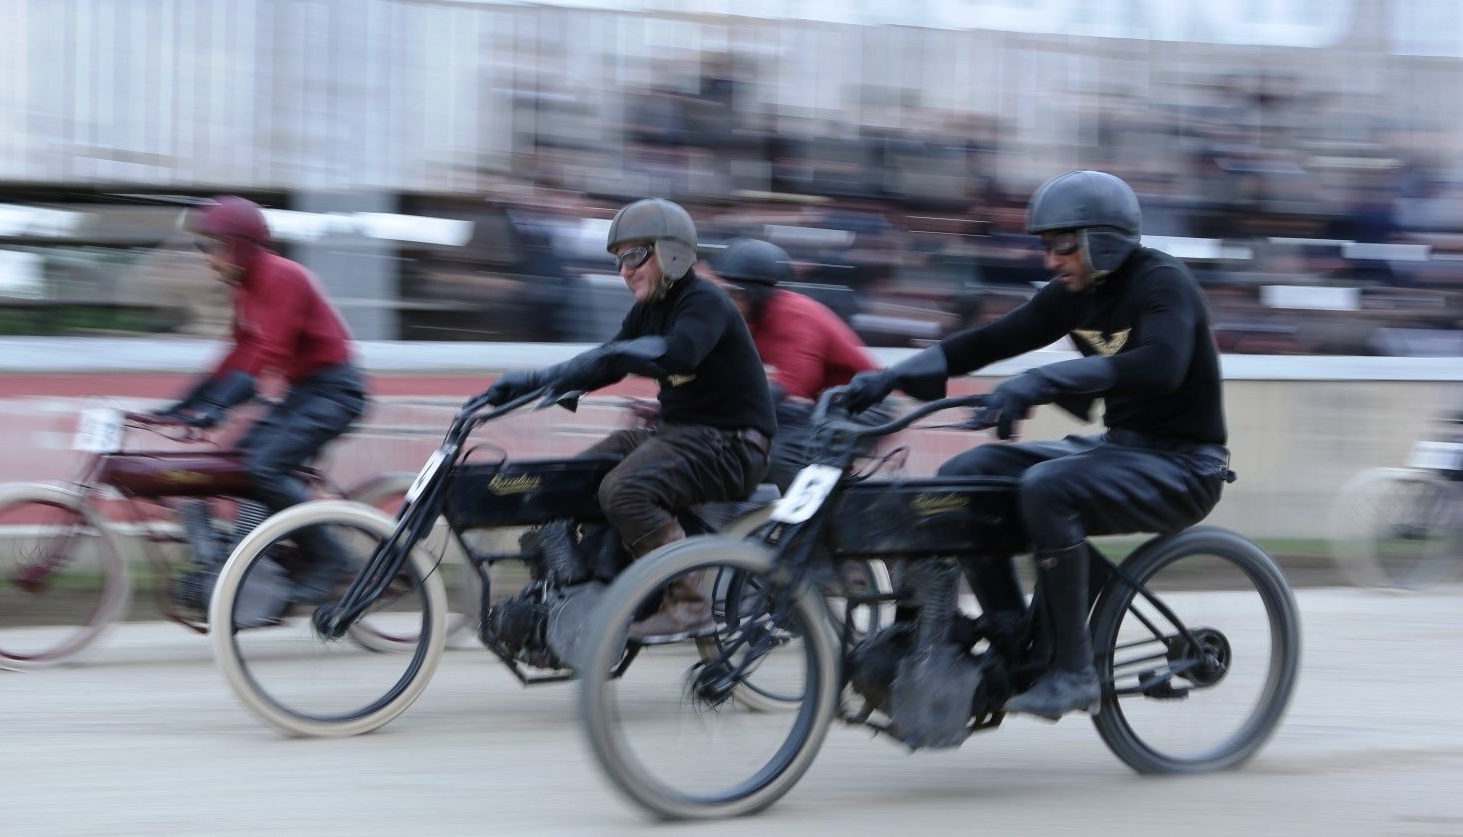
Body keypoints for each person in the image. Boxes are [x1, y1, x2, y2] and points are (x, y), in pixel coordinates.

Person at [836, 170, 1231, 721]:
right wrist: (888, 377)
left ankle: (1074, 674)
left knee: (1049, 488)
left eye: (1061, 245)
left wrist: (1043, 382)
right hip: (1118, 450)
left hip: (1184, 463)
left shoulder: (1162, 282)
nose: (1050, 260)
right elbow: (990, 340)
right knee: (969, 473)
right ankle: (1009, 629)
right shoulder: (1076, 293)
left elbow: (1159, 368)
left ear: (1103, 238)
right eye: (1046, 246)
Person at [486, 198, 775, 642]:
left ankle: (689, 606)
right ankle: (581, 578)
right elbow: (606, 360)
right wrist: (532, 382)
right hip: (685, 438)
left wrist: (617, 354)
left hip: (731, 446)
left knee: (623, 489)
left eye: (634, 255)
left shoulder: (706, 303)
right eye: (620, 260)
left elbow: (678, 353)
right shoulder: (650, 309)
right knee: (575, 473)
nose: (624, 270)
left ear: (671, 252)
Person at [162, 196, 368, 607]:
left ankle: (332, 559)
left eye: (212, 245)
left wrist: (219, 407)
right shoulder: (244, 288)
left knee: (263, 466)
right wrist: (182, 405)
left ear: (240, 245)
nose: (206, 256)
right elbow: (238, 352)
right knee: (238, 463)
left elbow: (267, 354)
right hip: (301, 394)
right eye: (203, 246)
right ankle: (256, 558)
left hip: (335, 392)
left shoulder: (282, 278)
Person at [706, 238, 880, 490]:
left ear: (755, 295)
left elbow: (793, 385)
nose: (728, 301)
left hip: (865, 405)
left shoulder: (793, 315)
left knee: (779, 455)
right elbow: (728, 371)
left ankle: (813, 522)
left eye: (735, 293)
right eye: (724, 292)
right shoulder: (753, 320)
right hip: (828, 403)